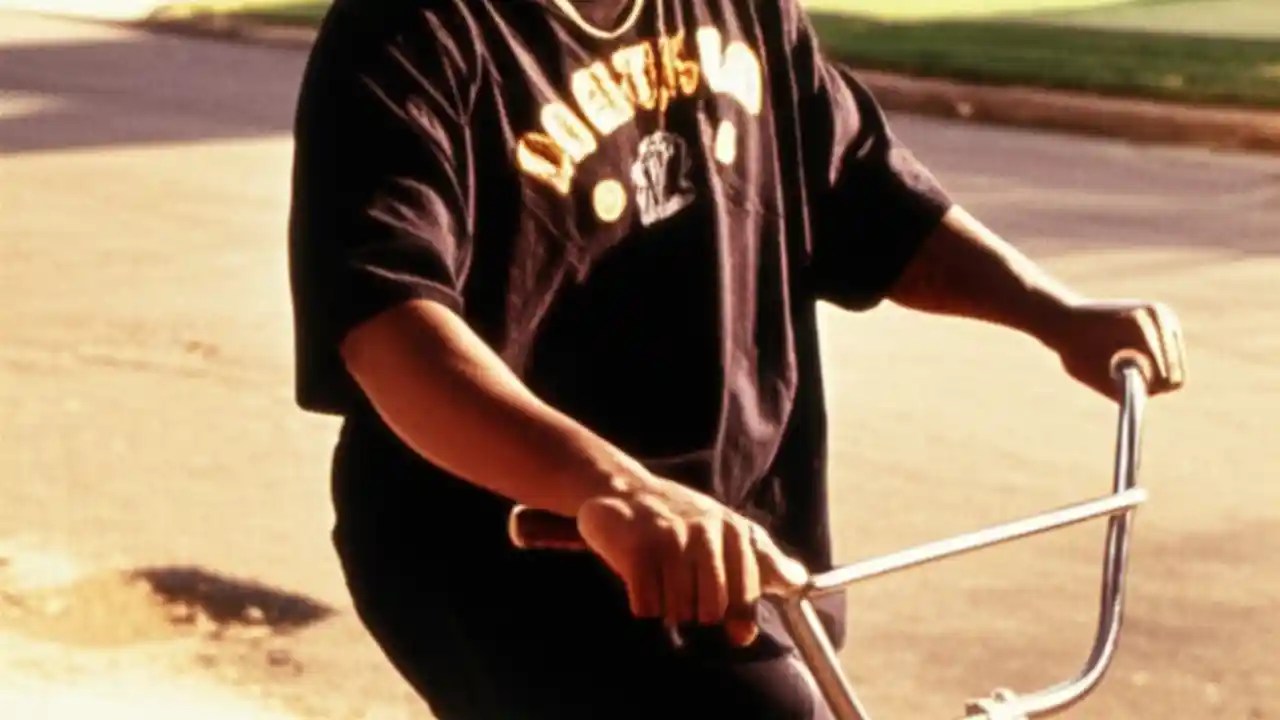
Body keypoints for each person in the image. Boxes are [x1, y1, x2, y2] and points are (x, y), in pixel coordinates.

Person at [286, 0, 1188, 716]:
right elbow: (388, 323)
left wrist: (1055, 314)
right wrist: (618, 490)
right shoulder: (410, 32)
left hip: (744, 548)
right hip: (508, 554)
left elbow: (864, 194)